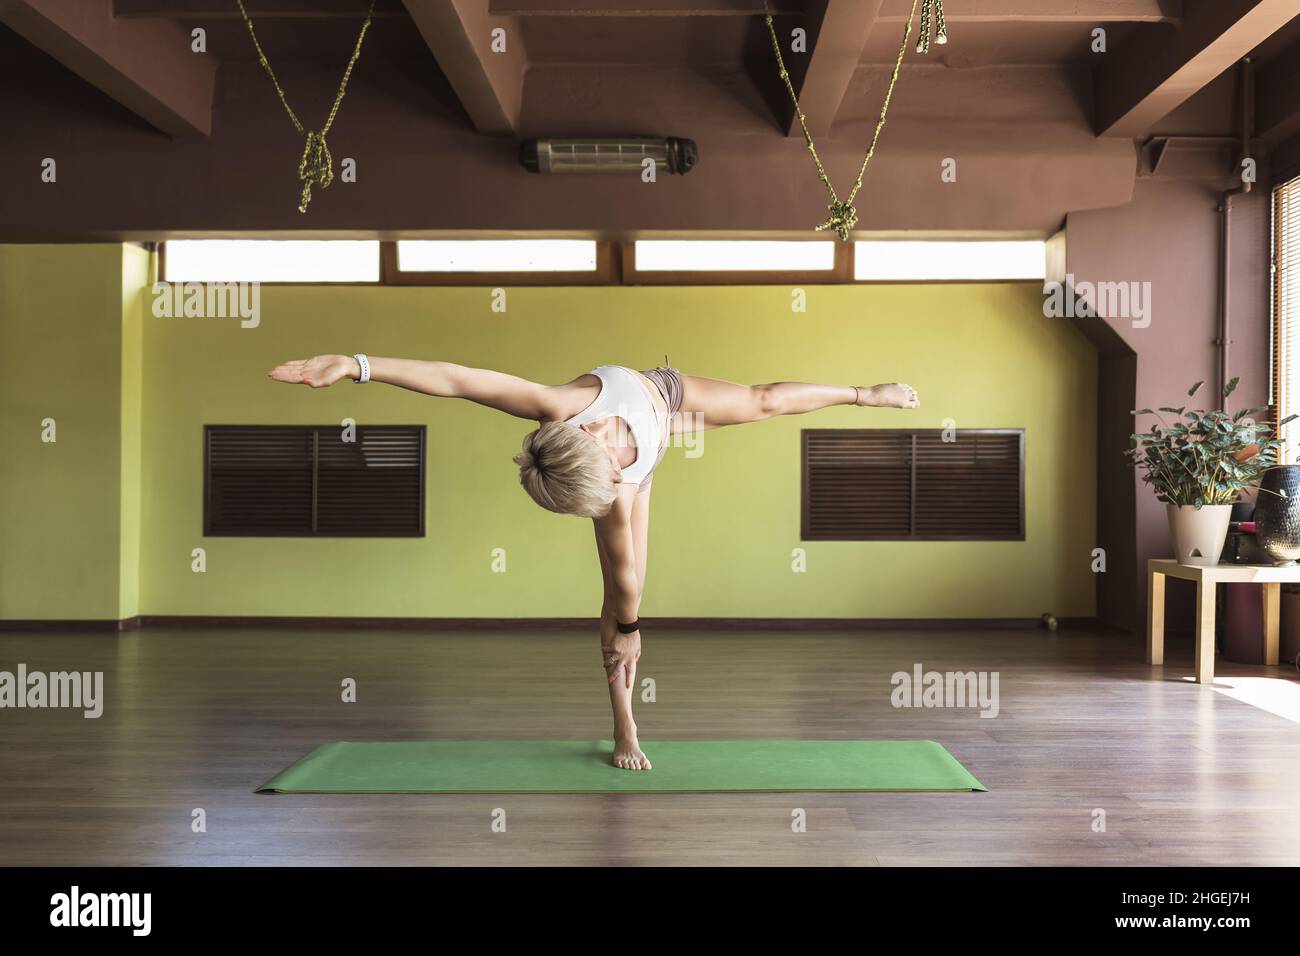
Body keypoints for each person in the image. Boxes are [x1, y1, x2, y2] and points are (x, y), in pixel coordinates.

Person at [269, 354, 919, 770]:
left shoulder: (560, 406)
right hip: (652, 460)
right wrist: (631, 627)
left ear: (587, 436)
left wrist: (355, 363)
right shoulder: (614, 495)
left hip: (665, 400)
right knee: (623, 591)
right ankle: (625, 726)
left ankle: (868, 390)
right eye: (608, 489)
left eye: (609, 478)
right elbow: (628, 583)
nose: (614, 483)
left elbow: (460, 379)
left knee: (764, 401)